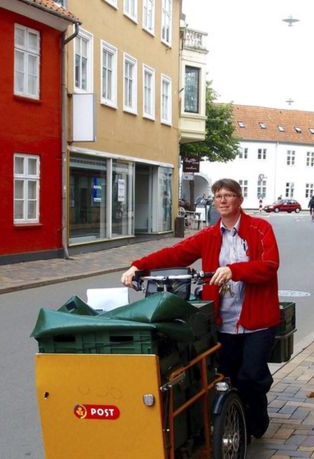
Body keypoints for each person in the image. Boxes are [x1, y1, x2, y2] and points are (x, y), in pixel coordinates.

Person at [121, 178, 280, 441]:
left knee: (251, 376)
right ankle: (235, 422)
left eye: (229, 195)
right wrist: (138, 265)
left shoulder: (260, 228)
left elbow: (270, 264)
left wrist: (234, 270)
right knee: (224, 376)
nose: (223, 200)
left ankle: (257, 417)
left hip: (257, 321)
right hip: (222, 320)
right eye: (218, 195)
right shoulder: (209, 235)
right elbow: (176, 253)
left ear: (239, 200)